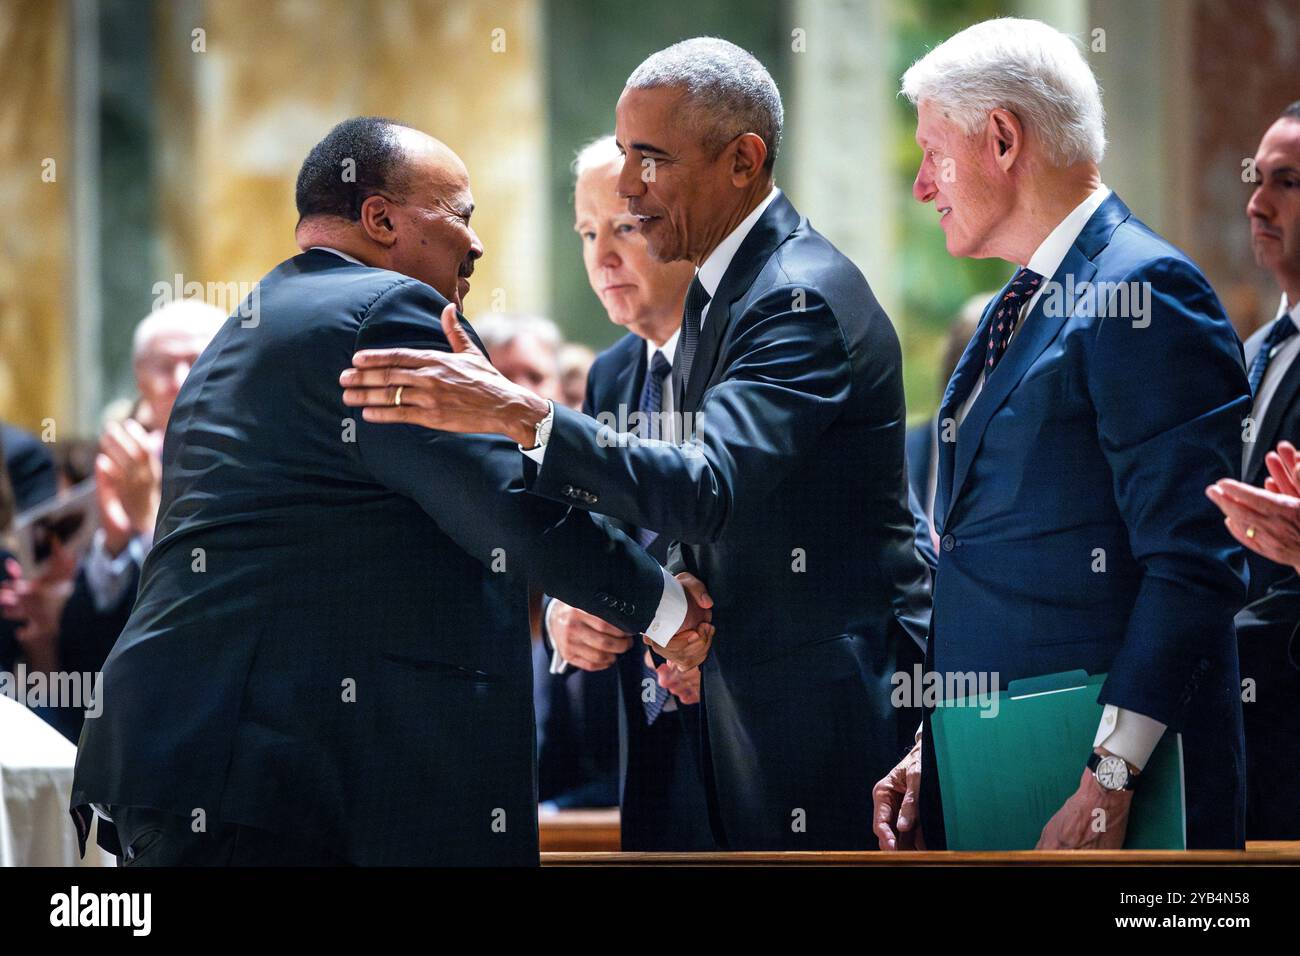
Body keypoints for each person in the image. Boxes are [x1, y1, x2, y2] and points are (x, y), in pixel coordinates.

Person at [71, 116, 711, 867]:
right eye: (460, 217)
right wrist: (667, 610)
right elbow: (503, 503)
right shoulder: (388, 313)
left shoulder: (245, 329)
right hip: (286, 778)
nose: (475, 245)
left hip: (201, 763)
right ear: (380, 218)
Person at [342, 40, 932, 850]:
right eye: (624, 156)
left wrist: (522, 414)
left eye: (649, 159)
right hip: (711, 733)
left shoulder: (795, 295)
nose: (627, 185)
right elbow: (697, 530)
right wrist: (655, 602)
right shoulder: (714, 298)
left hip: (822, 734)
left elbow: (710, 485)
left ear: (742, 161)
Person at [875, 17, 1250, 852]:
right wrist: (931, 748)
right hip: (997, 769)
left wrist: (1112, 777)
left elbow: (1194, 563)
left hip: (1116, 800)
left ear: (1002, 139)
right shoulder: (1026, 300)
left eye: (933, 152)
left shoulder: (1144, 288)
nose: (922, 185)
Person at [538, 134, 714, 848]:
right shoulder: (610, 375)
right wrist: (562, 613)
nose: (600, 257)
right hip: (646, 762)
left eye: (624, 226)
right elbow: (598, 547)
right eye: (586, 232)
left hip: (757, 740)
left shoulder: (756, 349)